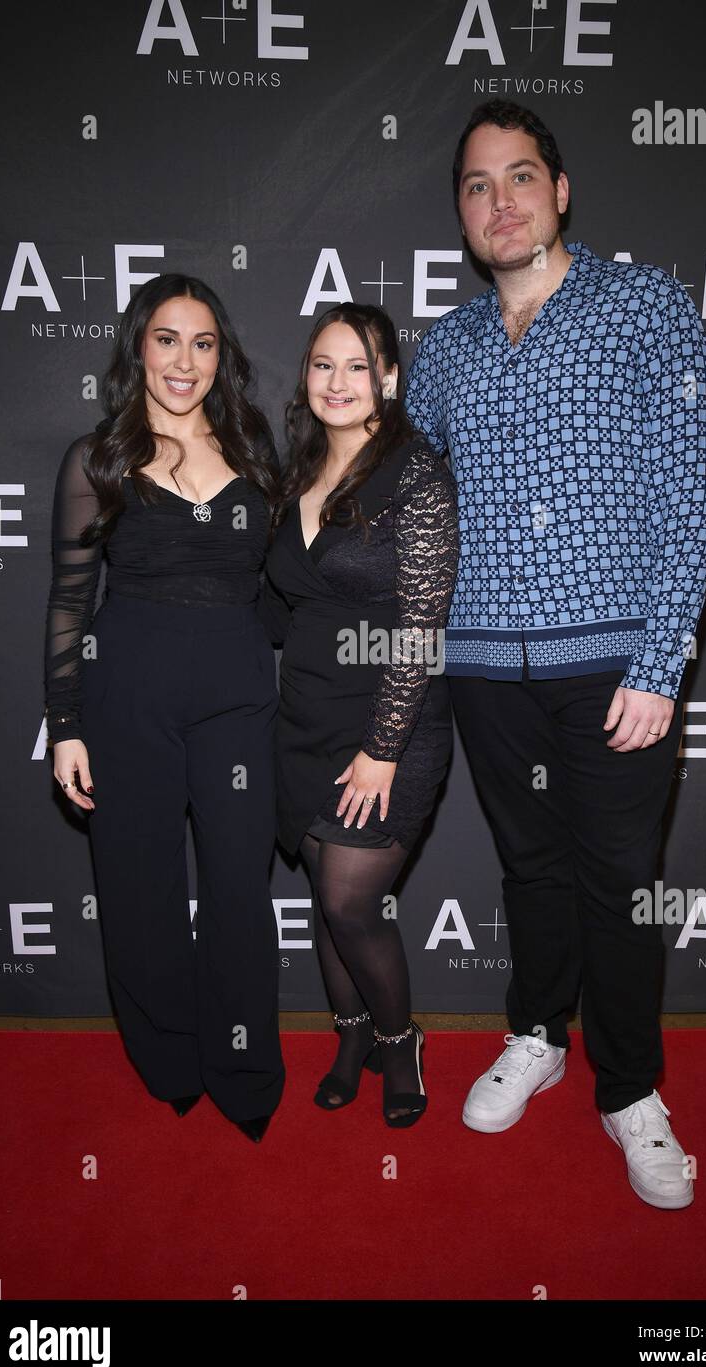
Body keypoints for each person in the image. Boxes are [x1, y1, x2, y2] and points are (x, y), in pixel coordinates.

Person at [405, 100, 706, 1206]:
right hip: (486, 669)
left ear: (561, 191)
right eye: (477, 185)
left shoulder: (642, 304)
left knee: (621, 887)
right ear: (461, 209)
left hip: (615, 670)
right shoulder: (441, 350)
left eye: (520, 177)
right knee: (532, 869)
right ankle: (538, 1030)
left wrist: (658, 663)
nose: (500, 201)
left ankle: (630, 1088)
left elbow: (693, 487)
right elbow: (419, 512)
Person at [44, 273, 284, 1143]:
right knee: (139, 889)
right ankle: (170, 1058)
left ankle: (245, 1067)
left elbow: (286, 582)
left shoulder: (256, 451)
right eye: (168, 339)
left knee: (236, 889)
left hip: (235, 703)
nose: (185, 361)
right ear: (138, 345)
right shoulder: (96, 456)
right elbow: (70, 603)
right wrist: (65, 724)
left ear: (223, 356)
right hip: (125, 700)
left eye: (204, 342)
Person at [258, 303, 459, 1127]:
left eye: (356, 365)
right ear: (305, 379)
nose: (336, 382)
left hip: (391, 723)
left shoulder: (416, 474)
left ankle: (398, 1037)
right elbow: (277, 606)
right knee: (321, 898)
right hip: (302, 717)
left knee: (349, 902)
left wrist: (381, 749)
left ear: (388, 378)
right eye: (321, 364)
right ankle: (349, 1036)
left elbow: (422, 627)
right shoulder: (293, 476)